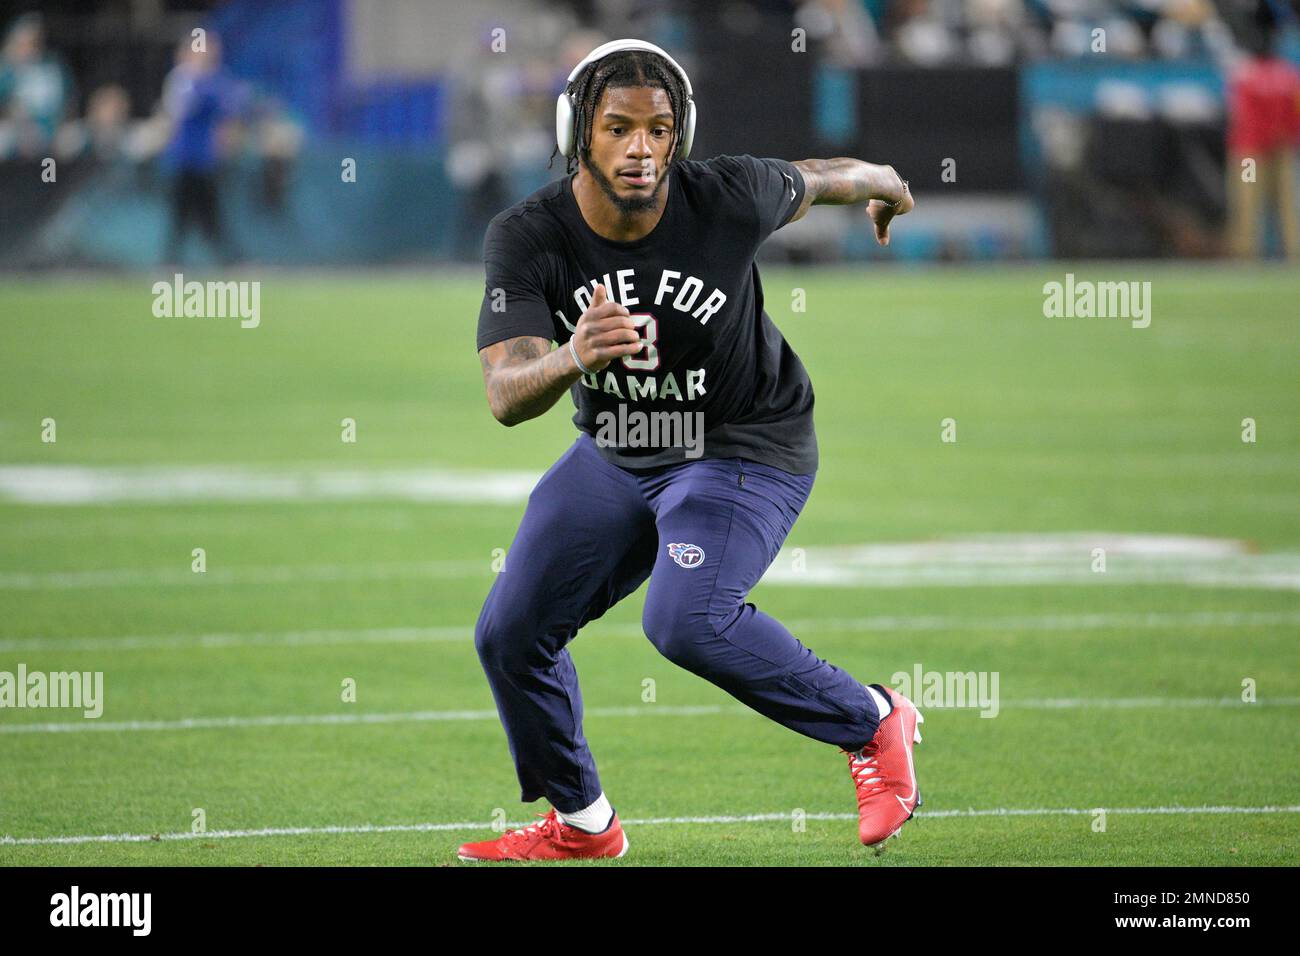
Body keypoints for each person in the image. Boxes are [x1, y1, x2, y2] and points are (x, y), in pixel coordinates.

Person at [461, 39, 921, 862]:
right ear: (577, 134)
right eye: (617, 128)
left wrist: (884, 182)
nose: (641, 148)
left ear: (683, 134)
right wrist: (574, 357)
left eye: (659, 129)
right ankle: (584, 824)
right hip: (620, 446)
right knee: (511, 630)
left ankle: (875, 720)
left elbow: (818, 176)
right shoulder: (528, 235)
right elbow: (505, 394)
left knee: (686, 620)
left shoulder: (729, 194)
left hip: (743, 444)